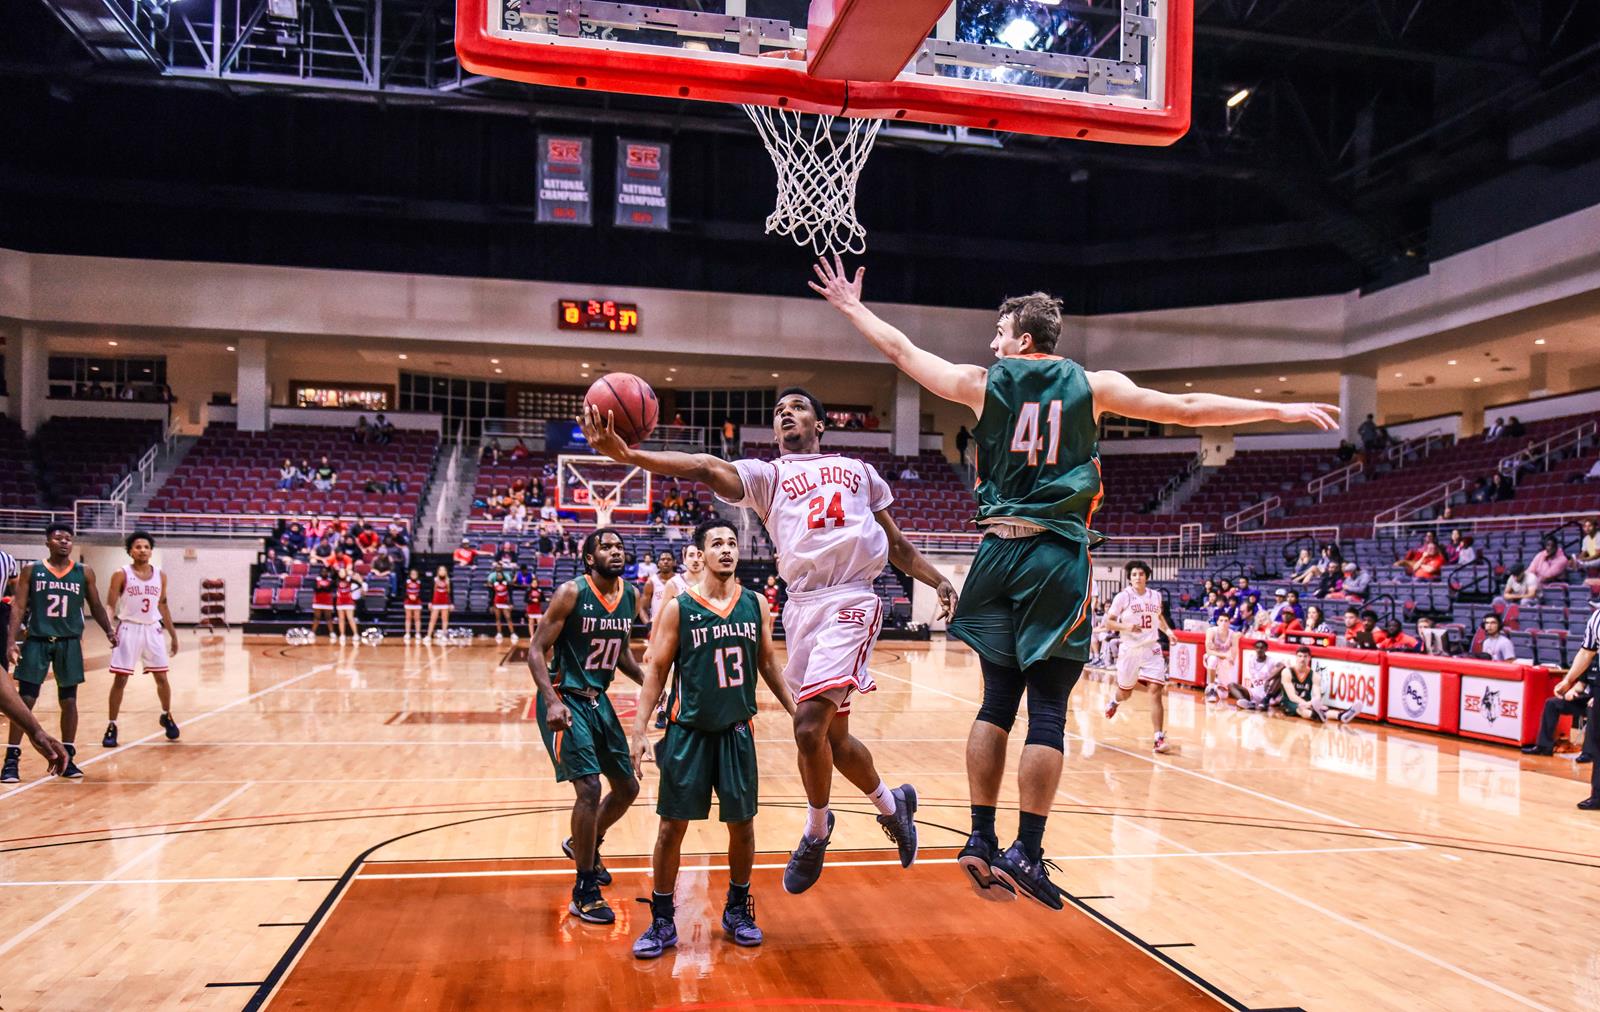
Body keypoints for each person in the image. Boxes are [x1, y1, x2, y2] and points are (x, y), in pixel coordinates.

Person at [809, 256, 1339, 909]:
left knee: (995, 703)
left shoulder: (983, 383)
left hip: (996, 554)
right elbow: (1187, 408)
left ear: (1024, 340)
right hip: (1056, 556)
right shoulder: (1094, 385)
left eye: (1001, 333)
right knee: (1050, 710)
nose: (993, 344)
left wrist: (852, 308)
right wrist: (1279, 413)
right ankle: (1026, 850)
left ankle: (979, 836)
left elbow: (903, 351)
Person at [579, 387, 947, 899]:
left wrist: (939, 580)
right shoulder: (768, 477)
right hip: (801, 608)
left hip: (851, 598)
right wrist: (633, 456)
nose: (785, 415)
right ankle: (893, 804)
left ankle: (817, 830)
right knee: (831, 741)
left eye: (796, 408)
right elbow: (705, 466)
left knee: (808, 724)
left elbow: (900, 546)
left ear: (820, 424)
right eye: (778, 413)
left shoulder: (860, 472)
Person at [629, 519, 797, 959]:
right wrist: (639, 730)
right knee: (671, 827)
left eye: (732, 543)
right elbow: (656, 673)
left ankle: (738, 910)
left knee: (742, 826)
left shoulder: (756, 604)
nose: (727, 550)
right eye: (717, 544)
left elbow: (768, 663)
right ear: (700, 554)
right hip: (687, 732)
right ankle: (663, 920)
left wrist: (797, 711)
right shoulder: (679, 607)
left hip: (737, 732)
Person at [527, 529, 645, 924]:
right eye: (606, 547)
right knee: (590, 787)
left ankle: (583, 843)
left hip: (600, 700)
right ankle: (585, 886)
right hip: (568, 699)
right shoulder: (571, 593)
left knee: (628, 787)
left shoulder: (629, 594)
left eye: (619, 547)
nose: (615, 551)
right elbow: (535, 650)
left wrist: (652, 684)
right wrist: (551, 700)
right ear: (589, 559)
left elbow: (622, 653)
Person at [2, 524, 118, 782]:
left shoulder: (83, 572)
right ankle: (11, 759)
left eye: (68, 538)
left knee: (69, 701)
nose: (64, 542)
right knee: (26, 701)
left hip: (69, 642)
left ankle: (68, 756)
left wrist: (109, 631)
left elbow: (96, 604)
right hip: (37, 641)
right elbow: (18, 606)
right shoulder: (32, 570)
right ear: (47, 543)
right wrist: (11, 641)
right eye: (58, 538)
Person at [101, 531, 182, 749]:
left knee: (162, 679)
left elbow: (163, 605)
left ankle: (166, 714)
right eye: (138, 547)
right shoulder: (121, 574)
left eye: (146, 547)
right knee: (120, 680)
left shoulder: (160, 575)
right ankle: (112, 724)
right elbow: (110, 604)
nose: (142, 550)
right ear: (130, 551)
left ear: (151, 551)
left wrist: (173, 634)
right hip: (128, 628)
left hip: (153, 629)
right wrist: (109, 628)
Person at [1103, 561, 1178, 753]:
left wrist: (1168, 632)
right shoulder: (1123, 597)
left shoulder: (1155, 595)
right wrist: (1126, 627)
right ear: (1129, 577)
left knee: (1156, 691)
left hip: (1152, 649)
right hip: (1130, 650)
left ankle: (1158, 738)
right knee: (1125, 693)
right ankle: (1115, 700)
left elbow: (1158, 617)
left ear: (1147, 576)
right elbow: (1108, 622)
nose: (1138, 577)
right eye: (1134, 574)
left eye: (1141, 574)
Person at [1552, 606, 1600, 809]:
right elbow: (1587, 651)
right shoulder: (1597, 617)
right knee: (1598, 740)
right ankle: (1598, 795)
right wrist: (1568, 680)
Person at [1279, 646, 1359, 723]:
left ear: (1309, 658)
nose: (1302, 659)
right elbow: (1291, 696)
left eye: (1305, 656)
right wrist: (1307, 704)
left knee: (1323, 710)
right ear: (1296, 657)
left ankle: (1341, 715)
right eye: (1300, 656)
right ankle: (1316, 715)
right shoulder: (1287, 672)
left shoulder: (1315, 675)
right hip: (1288, 702)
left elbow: (1317, 696)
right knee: (1302, 710)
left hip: (1307, 702)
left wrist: (1312, 703)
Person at [1228, 640, 1284, 711]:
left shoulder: (1271, 660)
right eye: (1257, 647)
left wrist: (1268, 679)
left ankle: (1266, 701)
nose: (1259, 650)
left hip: (1268, 691)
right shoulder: (1251, 660)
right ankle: (1249, 704)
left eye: (1261, 648)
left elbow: (1282, 665)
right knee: (1231, 685)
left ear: (1266, 649)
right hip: (1254, 692)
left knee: (1281, 675)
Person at [1200, 611, 1237, 703]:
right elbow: (1209, 651)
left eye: (1226, 621)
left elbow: (1234, 652)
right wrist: (1223, 655)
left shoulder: (1233, 634)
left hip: (1225, 661)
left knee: (1223, 696)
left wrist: (1231, 657)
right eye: (1221, 620)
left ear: (1229, 622)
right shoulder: (1211, 631)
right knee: (1213, 659)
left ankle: (1215, 685)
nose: (1223, 623)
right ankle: (1212, 688)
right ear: (1217, 622)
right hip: (1212, 657)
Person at [489, 561, 517, 643]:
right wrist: (491, 605)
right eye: (498, 575)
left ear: (503, 576)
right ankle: (499, 633)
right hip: (497, 603)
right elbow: (492, 595)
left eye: (501, 575)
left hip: (505, 603)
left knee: (508, 618)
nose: (499, 576)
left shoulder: (507, 584)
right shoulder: (494, 584)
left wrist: (511, 603)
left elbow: (510, 594)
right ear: (496, 576)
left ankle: (512, 633)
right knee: (498, 618)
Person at [335, 568, 364, 643]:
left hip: (348, 601)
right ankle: (342, 635)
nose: (341, 573)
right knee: (341, 619)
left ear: (345, 572)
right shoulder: (336, 580)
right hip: (340, 601)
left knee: (350, 618)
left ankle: (356, 634)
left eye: (343, 572)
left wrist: (352, 591)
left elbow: (359, 584)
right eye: (340, 572)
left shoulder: (349, 580)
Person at [427, 567, 452, 640]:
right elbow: (431, 592)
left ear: (446, 572)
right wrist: (430, 602)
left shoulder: (448, 580)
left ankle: (444, 635)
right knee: (432, 619)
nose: (442, 571)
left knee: (445, 620)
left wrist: (451, 603)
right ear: (438, 571)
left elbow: (451, 593)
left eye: (444, 570)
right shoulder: (434, 580)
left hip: (445, 602)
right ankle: (428, 635)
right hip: (436, 602)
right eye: (440, 570)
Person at [401, 569, 423, 641]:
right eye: (412, 574)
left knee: (417, 618)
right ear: (410, 575)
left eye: (415, 574)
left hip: (417, 602)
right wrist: (408, 596)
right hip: (408, 602)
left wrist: (416, 596)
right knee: (408, 618)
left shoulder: (419, 582)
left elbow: (422, 592)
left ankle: (417, 633)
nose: (414, 575)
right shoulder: (407, 582)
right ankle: (407, 633)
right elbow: (404, 591)